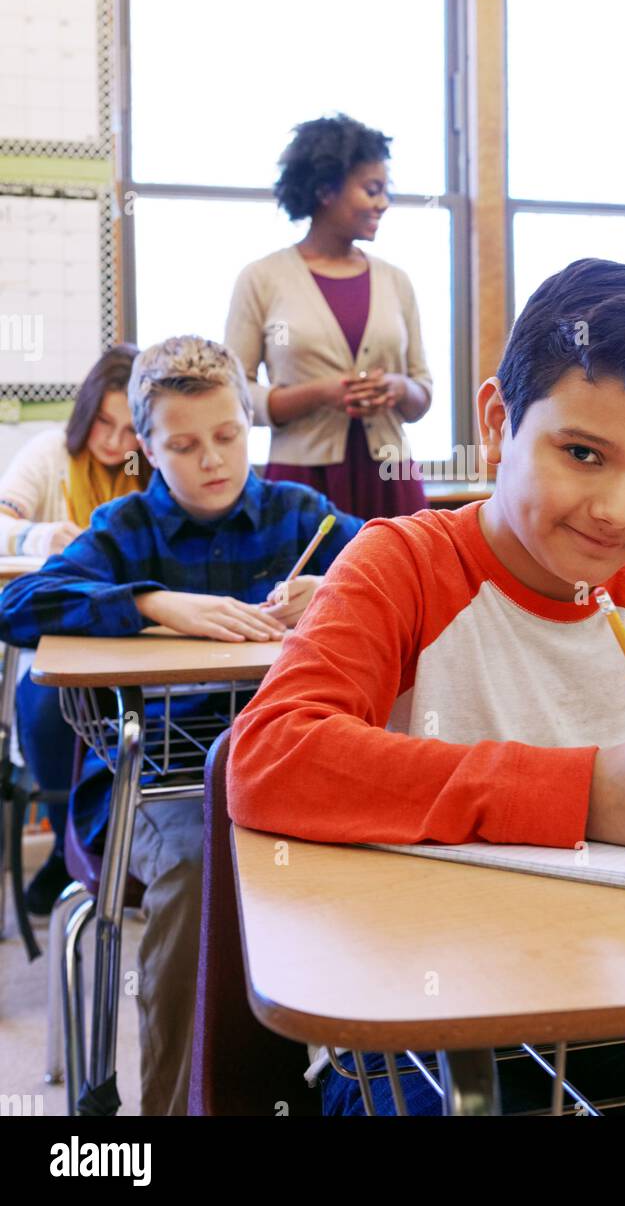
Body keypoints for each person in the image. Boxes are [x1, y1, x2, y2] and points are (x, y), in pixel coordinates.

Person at [227, 259, 625, 1117]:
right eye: (582, 453)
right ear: (497, 423)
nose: (617, 510)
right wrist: (587, 793)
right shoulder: (405, 565)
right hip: (426, 1026)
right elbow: (272, 756)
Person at [0, 336, 362, 1115]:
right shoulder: (126, 528)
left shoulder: (303, 517)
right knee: (210, 865)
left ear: (249, 425)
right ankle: (182, 1109)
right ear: (145, 447)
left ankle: (340, 1091)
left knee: (379, 858)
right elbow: (15, 606)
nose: (212, 461)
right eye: (184, 445)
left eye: (228, 436)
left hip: (288, 759)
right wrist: (149, 603)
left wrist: (330, 589)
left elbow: (402, 562)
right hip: (158, 780)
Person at [0, 344, 150, 913]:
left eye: (131, 428)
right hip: (60, 631)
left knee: (130, 721)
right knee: (46, 705)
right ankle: (73, 844)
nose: (115, 442)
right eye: (104, 423)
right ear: (85, 410)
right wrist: (38, 537)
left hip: (132, 637)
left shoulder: (145, 468)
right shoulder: (48, 455)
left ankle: (117, 846)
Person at [225, 113, 433, 519]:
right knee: (306, 583)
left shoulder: (397, 282)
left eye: (385, 191)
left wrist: (397, 387)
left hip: (390, 477)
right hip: (300, 481)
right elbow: (235, 393)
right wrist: (320, 393)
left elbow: (422, 389)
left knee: (396, 578)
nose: (383, 203)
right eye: (372, 190)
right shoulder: (262, 278)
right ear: (325, 191)